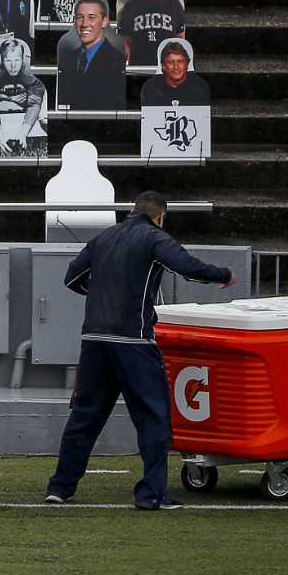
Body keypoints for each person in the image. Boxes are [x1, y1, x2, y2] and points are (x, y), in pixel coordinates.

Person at [46, 192, 233, 510]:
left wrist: (104, 289)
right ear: (160, 216)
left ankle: (60, 487)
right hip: (133, 341)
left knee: (84, 417)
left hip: (94, 341)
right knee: (153, 416)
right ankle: (152, 494)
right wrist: (223, 275)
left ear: (132, 211)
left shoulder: (103, 237)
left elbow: (72, 278)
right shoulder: (154, 237)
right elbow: (186, 267)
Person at [57, 0, 128, 111]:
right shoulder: (67, 59)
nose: (84, 24)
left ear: (104, 21)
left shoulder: (117, 60)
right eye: (80, 17)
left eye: (91, 17)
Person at [0, 36, 48, 155]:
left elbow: (35, 102)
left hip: (25, 98)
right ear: (1, 60)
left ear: (23, 59)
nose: (13, 66)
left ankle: (45, 126)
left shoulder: (30, 75)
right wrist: (0, 137)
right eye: (8, 61)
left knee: (45, 92)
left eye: (17, 60)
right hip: (0, 98)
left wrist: (23, 133)